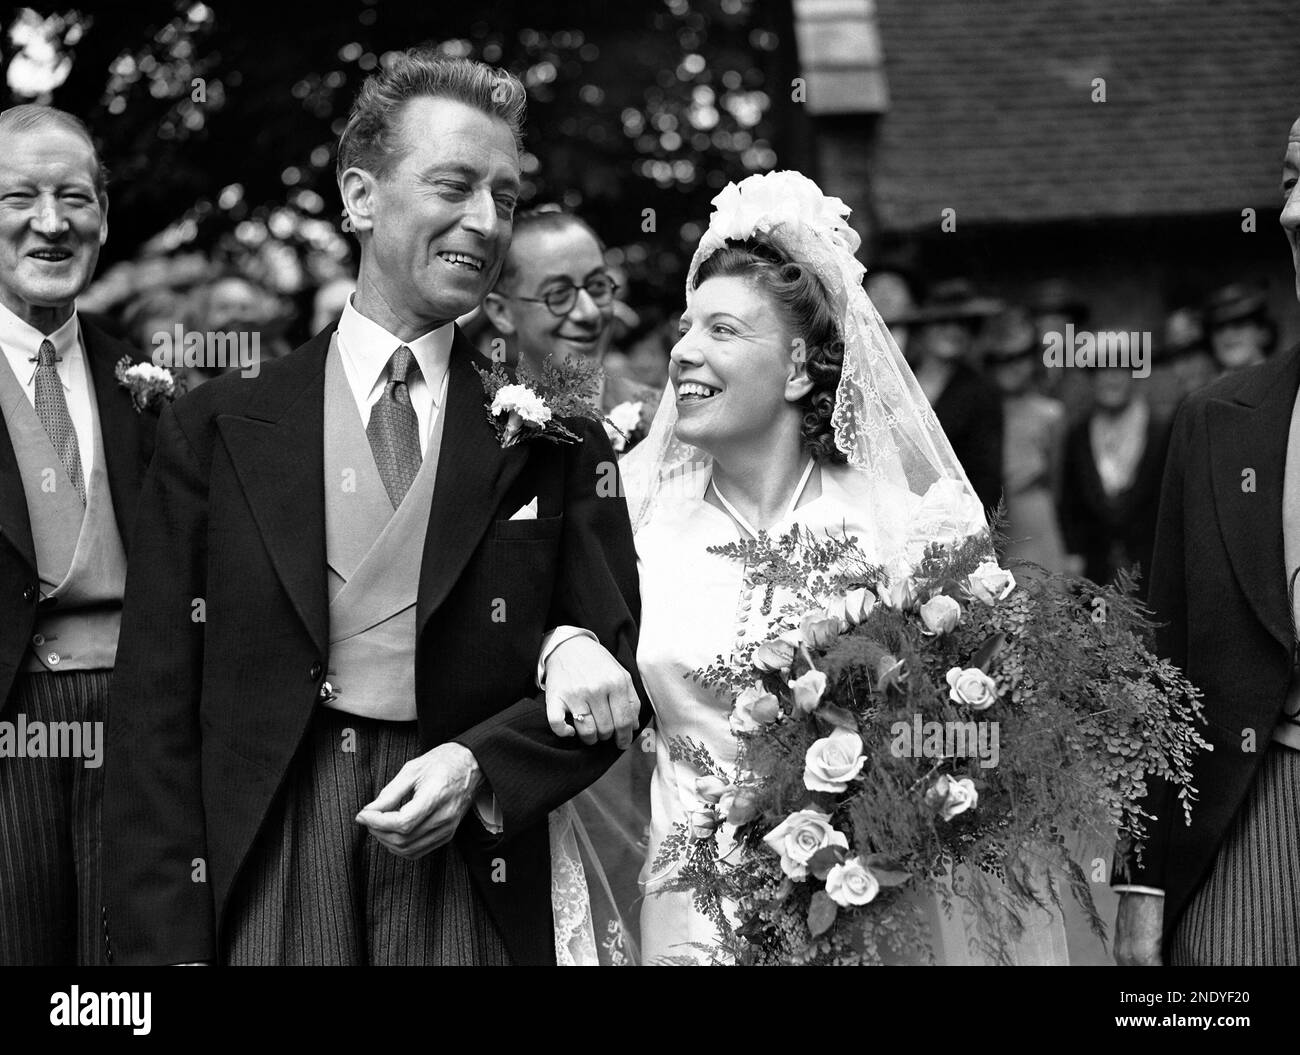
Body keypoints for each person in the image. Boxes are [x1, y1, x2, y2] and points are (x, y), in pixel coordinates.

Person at [102, 52, 645, 966]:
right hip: (270, 850)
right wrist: (166, 948)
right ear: (359, 195)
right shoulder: (216, 429)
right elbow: (154, 706)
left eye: (505, 198)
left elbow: (614, 680)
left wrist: (482, 764)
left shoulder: (559, 436)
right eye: (454, 185)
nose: (485, 220)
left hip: (469, 863)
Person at [548, 172, 1075, 965]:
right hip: (689, 918)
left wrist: (893, 803)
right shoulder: (630, 518)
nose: (683, 349)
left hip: (868, 922)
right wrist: (563, 642)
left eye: (723, 330)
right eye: (686, 329)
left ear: (798, 367)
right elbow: (529, 624)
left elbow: (986, 738)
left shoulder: (900, 525)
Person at [1114, 115, 1300, 966]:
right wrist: (1141, 883)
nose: (1291, 213)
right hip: (1248, 817)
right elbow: (1169, 668)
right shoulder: (1217, 421)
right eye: (1291, 179)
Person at [0, 104, 160, 964]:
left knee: (119, 979)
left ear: (103, 214)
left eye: (75, 198)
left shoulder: (147, 376)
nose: (51, 223)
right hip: (10, 716)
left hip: (136, 723)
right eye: (18, 196)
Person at [482, 207, 659, 447]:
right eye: (559, 294)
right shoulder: (480, 424)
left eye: (598, 286)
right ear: (501, 312)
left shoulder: (660, 418)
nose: (589, 312)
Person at [1059, 365, 1170, 595]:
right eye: (1102, 371)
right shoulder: (1078, 434)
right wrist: (1073, 554)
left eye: (1119, 370)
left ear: (1134, 376)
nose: (1111, 380)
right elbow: (1069, 501)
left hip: (1152, 569)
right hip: (1095, 572)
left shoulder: (1162, 430)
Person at [904, 279, 1004, 513]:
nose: (953, 331)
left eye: (963, 324)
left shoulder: (982, 391)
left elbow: (987, 475)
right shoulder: (895, 377)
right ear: (923, 327)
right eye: (942, 321)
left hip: (951, 517)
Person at [982, 306, 1069, 574]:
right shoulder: (978, 410)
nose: (1013, 367)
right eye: (1003, 359)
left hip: (1033, 515)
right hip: (987, 515)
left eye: (1021, 357)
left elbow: (1057, 480)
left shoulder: (1050, 413)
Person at [1145, 307, 1218, 423]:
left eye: (1192, 352)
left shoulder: (1231, 401)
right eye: (1176, 357)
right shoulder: (1175, 419)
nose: (1185, 367)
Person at [1205, 279, 1278, 374]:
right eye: (1218, 328)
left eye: (1238, 324)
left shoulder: (1290, 379)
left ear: (1264, 332)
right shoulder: (1211, 388)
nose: (1228, 334)